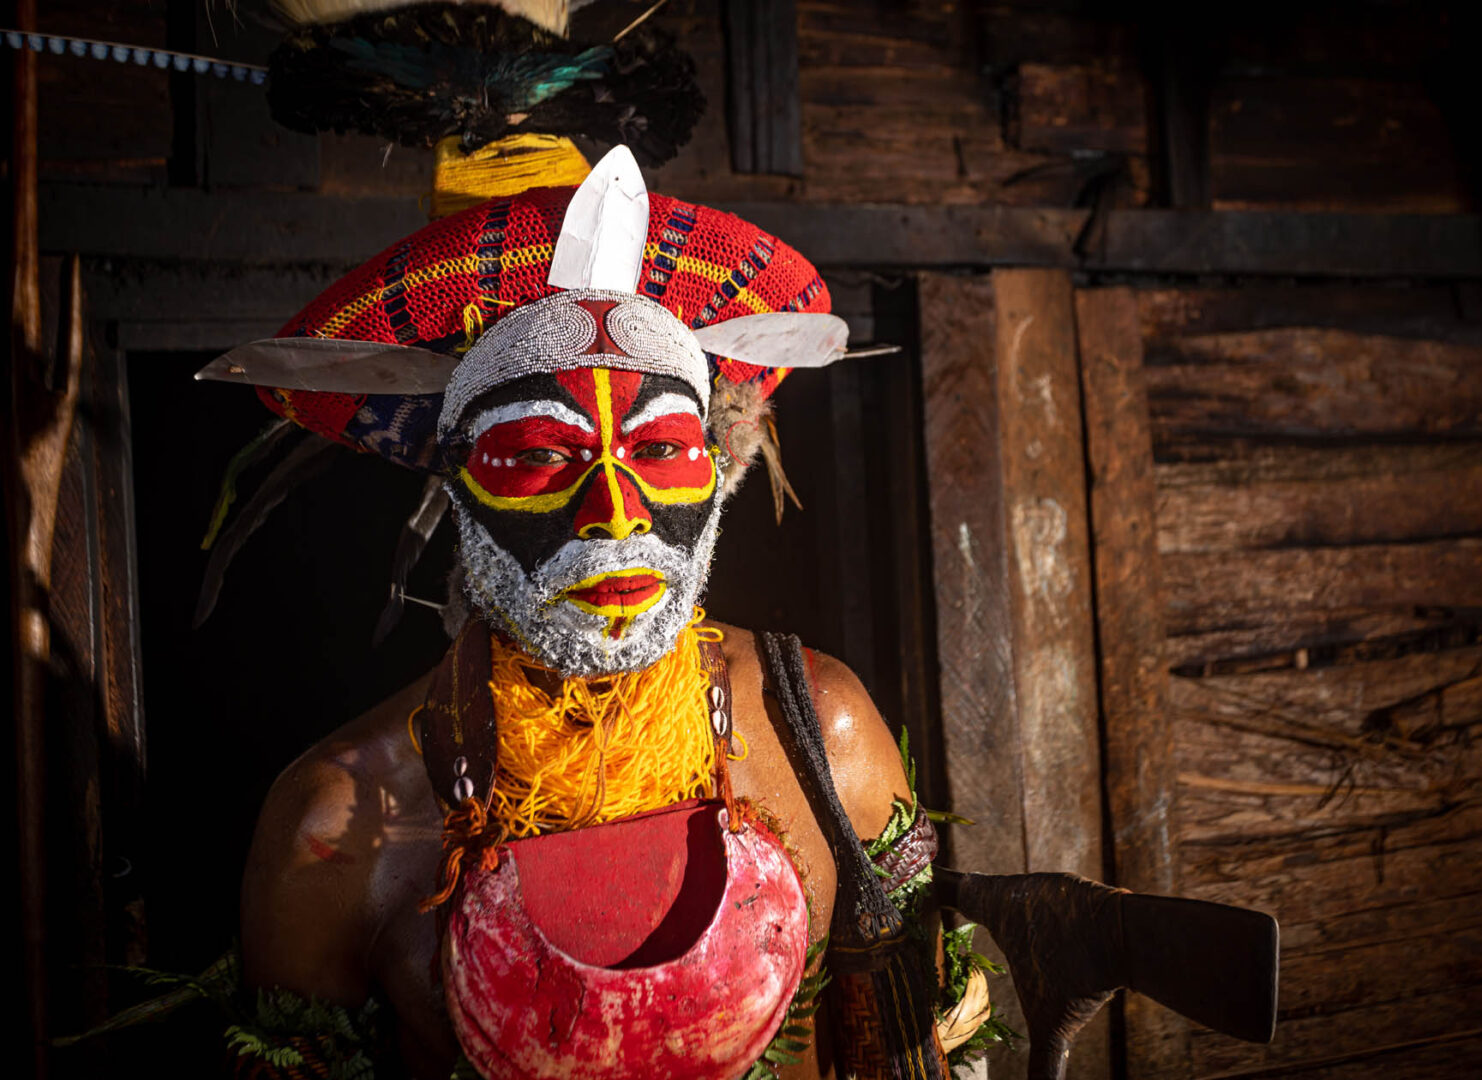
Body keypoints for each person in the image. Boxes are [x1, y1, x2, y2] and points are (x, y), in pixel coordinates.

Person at [230, 147, 974, 1080]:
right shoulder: (338, 827)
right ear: (457, 485)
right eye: (540, 455)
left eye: (660, 447)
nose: (616, 514)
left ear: (722, 467)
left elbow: (905, 1052)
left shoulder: (822, 728)